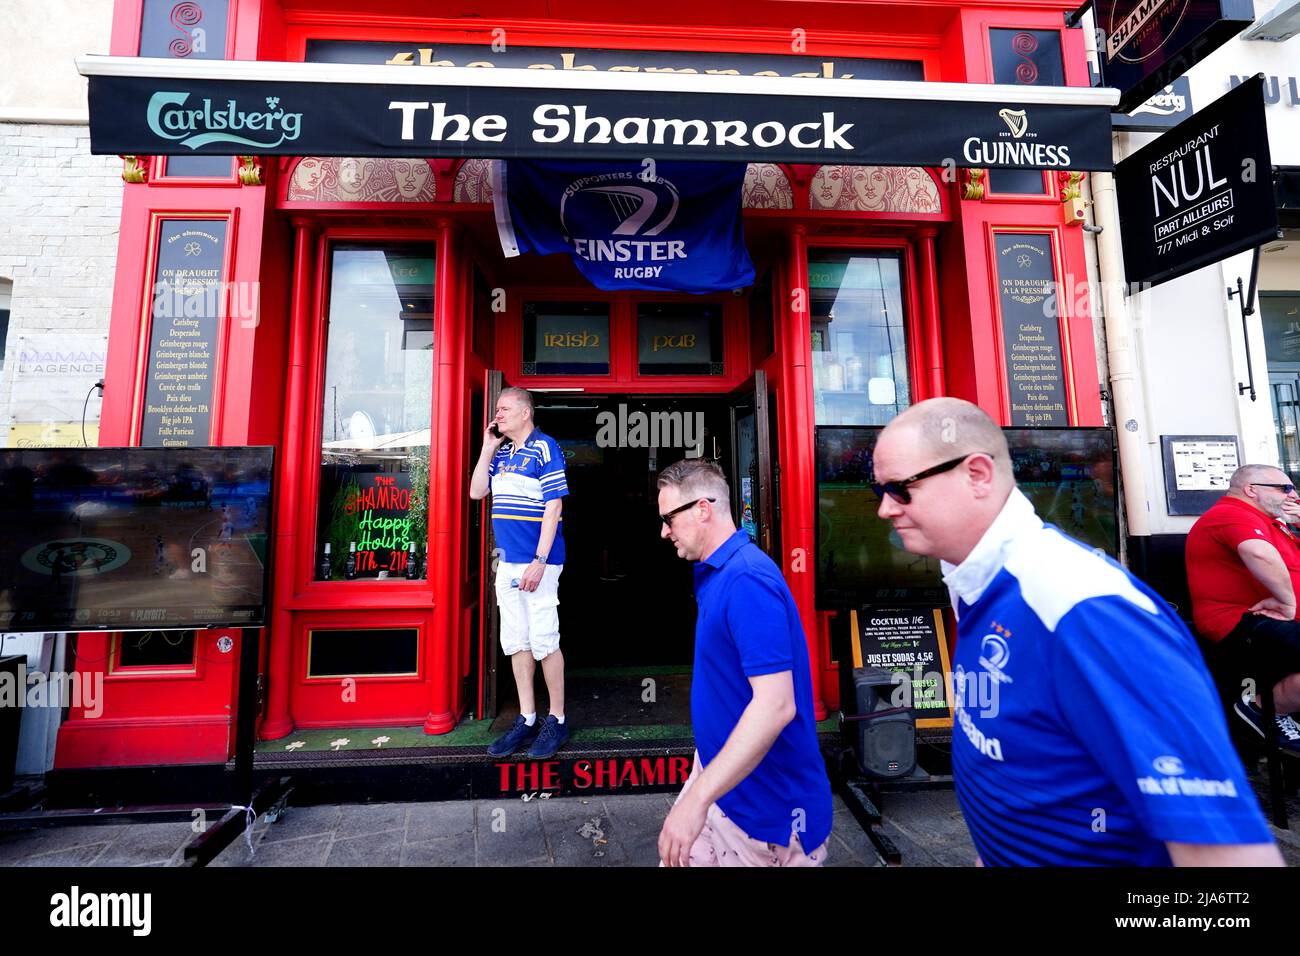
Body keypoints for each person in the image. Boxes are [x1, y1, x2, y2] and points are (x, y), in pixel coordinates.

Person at [871, 397, 1280, 866]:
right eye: (878, 489)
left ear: (978, 474)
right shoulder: (976, 581)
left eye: (901, 489)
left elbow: (1232, 855)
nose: (885, 508)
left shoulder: (1082, 608)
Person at [655, 458, 833, 867]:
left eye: (668, 518)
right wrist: (700, 783)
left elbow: (775, 706)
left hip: (765, 813)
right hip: (725, 785)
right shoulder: (719, 571)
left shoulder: (746, 579)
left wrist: (695, 800)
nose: (664, 531)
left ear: (702, 508)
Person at [469, 387, 570, 759]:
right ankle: (527, 718)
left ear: (526, 413)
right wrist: (487, 448)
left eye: (504, 409)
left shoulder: (545, 447)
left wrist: (539, 561)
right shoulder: (503, 453)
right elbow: (477, 492)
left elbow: (553, 506)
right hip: (507, 562)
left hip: (538, 562)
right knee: (517, 641)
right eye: (497, 410)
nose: (497, 415)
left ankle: (556, 719)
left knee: (544, 639)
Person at [1186, 463, 1300, 754]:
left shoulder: (1274, 524)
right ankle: (1265, 711)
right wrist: (1288, 603)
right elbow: (1258, 553)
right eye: (1285, 488)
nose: (1293, 494)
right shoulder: (1232, 513)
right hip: (1240, 619)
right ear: (1252, 490)